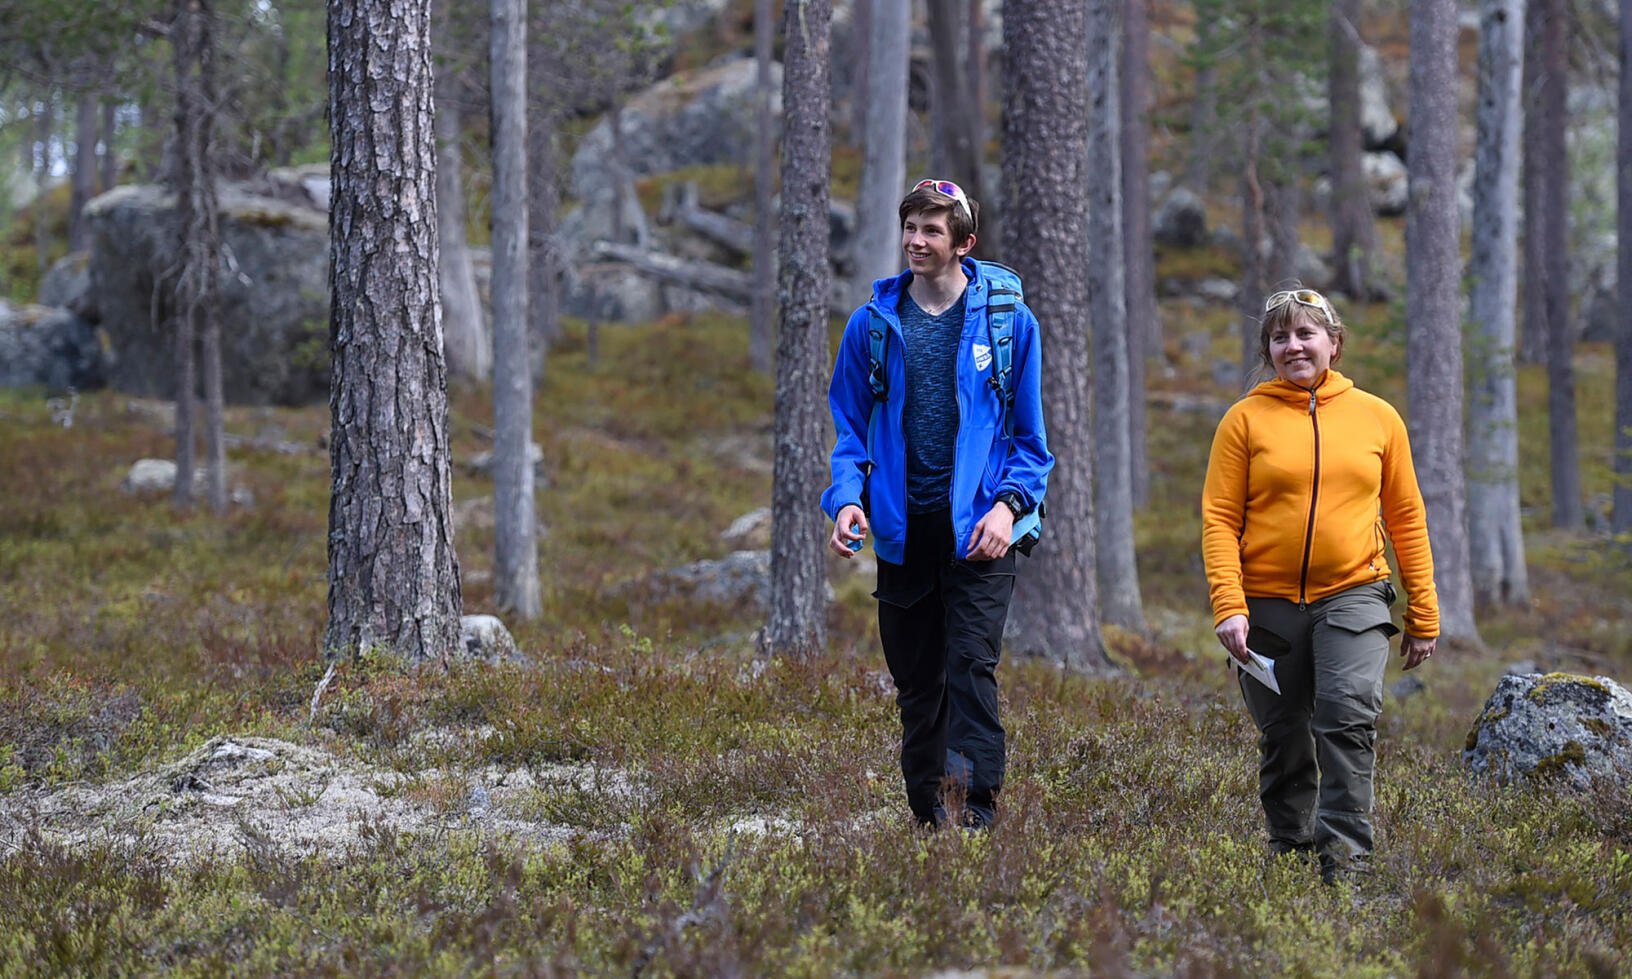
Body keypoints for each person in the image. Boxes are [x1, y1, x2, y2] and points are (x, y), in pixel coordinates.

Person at [821, 178, 1053, 829]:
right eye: (910, 227)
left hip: (982, 530)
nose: (915, 241)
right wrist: (847, 501)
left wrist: (1009, 508)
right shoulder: (871, 325)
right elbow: (850, 430)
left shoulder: (1010, 324)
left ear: (964, 243)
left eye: (931, 230)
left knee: (970, 667)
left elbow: (1032, 443)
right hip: (904, 531)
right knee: (918, 682)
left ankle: (973, 814)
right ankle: (929, 816)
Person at [1201, 287, 1439, 883]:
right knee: (1283, 735)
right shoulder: (1243, 420)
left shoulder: (1378, 418)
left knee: (1346, 715)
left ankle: (1346, 865)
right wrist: (1229, 605)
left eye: (1306, 333)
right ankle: (1290, 854)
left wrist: (1424, 611)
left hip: (1354, 592)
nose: (1294, 346)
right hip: (1266, 604)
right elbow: (1220, 519)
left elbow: (1406, 517)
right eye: (1280, 337)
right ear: (1268, 351)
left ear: (1334, 343)